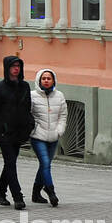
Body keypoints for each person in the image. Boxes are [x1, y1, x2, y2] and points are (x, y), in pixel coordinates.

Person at [0, 55, 33, 210]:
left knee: (9, 164)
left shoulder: (24, 86)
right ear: (7, 68)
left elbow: (27, 109)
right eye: (13, 66)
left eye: (18, 66)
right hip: (4, 133)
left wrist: (29, 125)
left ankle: (0, 192)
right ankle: (17, 197)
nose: (16, 69)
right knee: (11, 164)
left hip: (19, 133)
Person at [29, 68, 66, 207]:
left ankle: (35, 193)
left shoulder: (59, 96)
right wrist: (33, 129)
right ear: (39, 80)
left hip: (53, 136)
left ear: (53, 80)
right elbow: (28, 114)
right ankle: (51, 191)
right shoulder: (32, 96)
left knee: (45, 165)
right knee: (45, 163)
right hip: (38, 136)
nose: (46, 81)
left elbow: (63, 115)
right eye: (43, 78)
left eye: (48, 78)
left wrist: (59, 131)